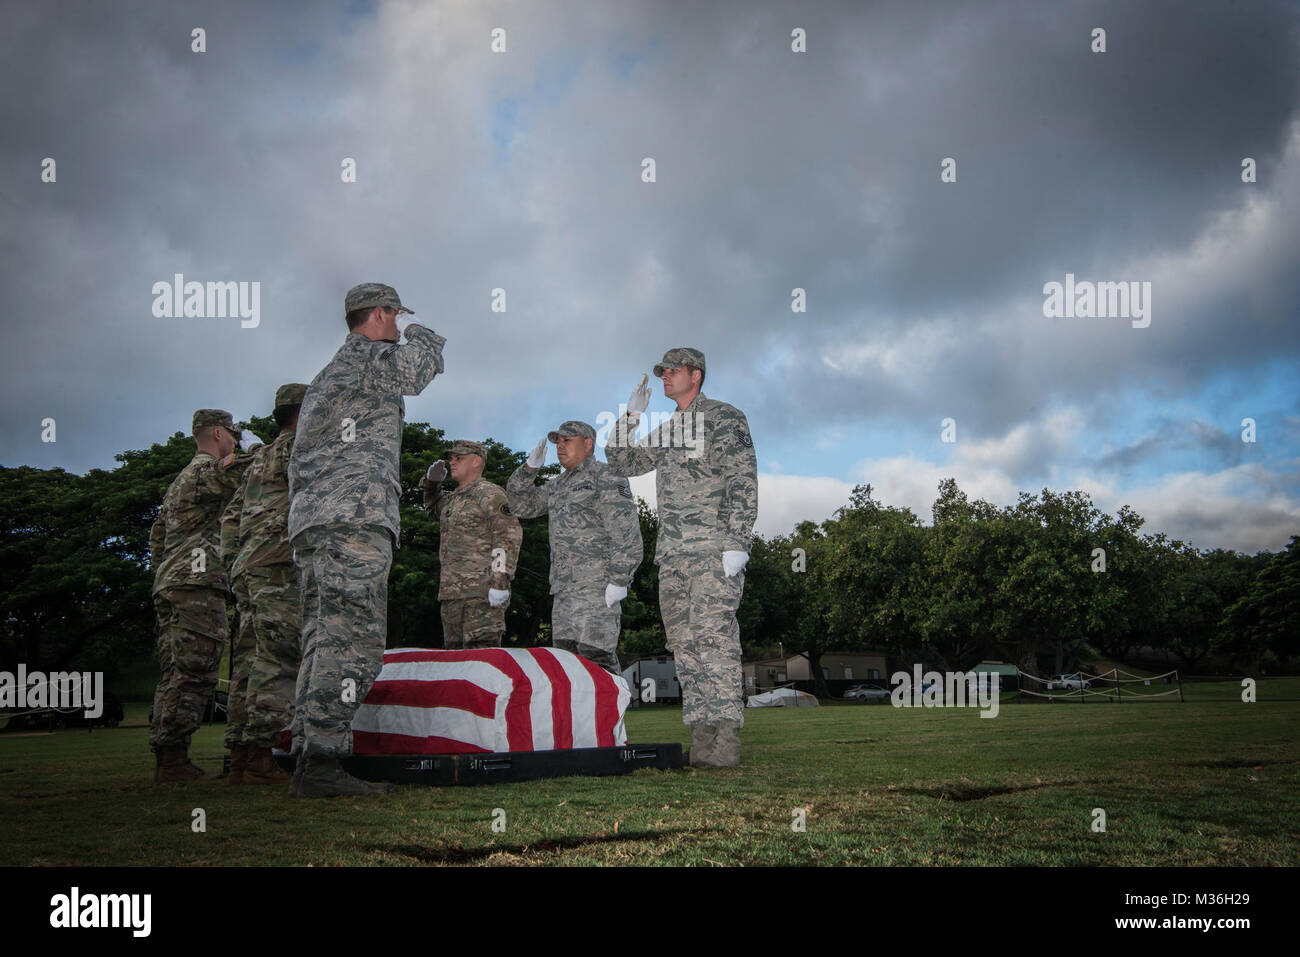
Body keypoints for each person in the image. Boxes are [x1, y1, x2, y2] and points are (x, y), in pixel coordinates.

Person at [287, 283, 445, 798]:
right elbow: (416, 373)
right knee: (352, 643)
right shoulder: (367, 358)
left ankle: (311, 757)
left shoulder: (340, 371)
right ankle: (323, 763)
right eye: (397, 317)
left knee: (322, 639)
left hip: (324, 521)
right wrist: (427, 337)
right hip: (350, 519)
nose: (400, 327)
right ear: (380, 313)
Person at [605, 348, 757, 767]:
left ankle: (725, 742)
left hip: (712, 552)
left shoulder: (724, 417)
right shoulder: (671, 427)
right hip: (672, 557)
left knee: (715, 643)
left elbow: (743, 479)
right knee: (686, 649)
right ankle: (702, 738)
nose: (665, 377)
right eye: (662, 372)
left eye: (672, 371)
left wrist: (737, 541)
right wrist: (631, 417)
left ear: (696, 374)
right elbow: (620, 462)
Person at [149, 409, 261, 782]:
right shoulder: (203, 472)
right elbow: (242, 473)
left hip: (174, 582)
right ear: (217, 433)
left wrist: (165, 575)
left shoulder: (181, 479)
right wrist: (254, 449)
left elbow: (157, 537)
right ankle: (173, 759)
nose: (233, 439)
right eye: (231, 433)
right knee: (195, 671)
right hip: (195, 586)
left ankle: (170, 755)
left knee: (175, 671)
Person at [219, 382, 309, 785]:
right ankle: (260, 755)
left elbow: (230, 518)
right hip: (278, 566)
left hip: (248, 567)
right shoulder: (299, 449)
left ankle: (239, 755)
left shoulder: (259, 459)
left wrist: (233, 562)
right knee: (281, 657)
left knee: (248, 661)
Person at [505, 421, 641, 673]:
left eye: (567, 440)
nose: (560, 446)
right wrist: (529, 469)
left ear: (588, 443)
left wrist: (620, 579)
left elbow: (625, 530)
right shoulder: (557, 485)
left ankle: (612, 714)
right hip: (563, 590)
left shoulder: (606, 475)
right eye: (558, 442)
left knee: (597, 662)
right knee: (566, 666)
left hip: (597, 588)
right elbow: (519, 505)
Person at [420, 441, 522, 649]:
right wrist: (432, 485)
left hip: (481, 594)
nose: (452, 463)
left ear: (476, 461)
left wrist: (500, 582)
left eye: (459, 458)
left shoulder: (489, 494)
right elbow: (433, 511)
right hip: (451, 596)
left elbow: (507, 536)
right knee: (455, 665)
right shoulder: (452, 500)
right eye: (451, 458)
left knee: (482, 661)